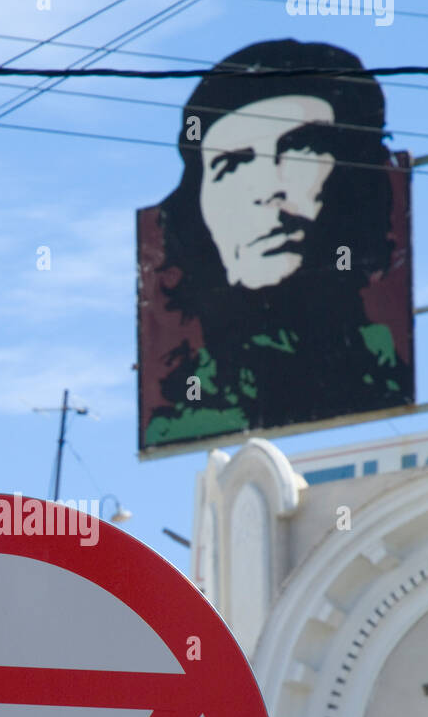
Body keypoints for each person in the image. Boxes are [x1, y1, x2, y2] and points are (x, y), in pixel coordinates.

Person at [139, 39, 413, 448]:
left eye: (303, 148)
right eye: (231, 163)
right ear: (197, 211)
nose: (268, 189)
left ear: (360, 183)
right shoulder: (179, 413)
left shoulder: (388, 371)